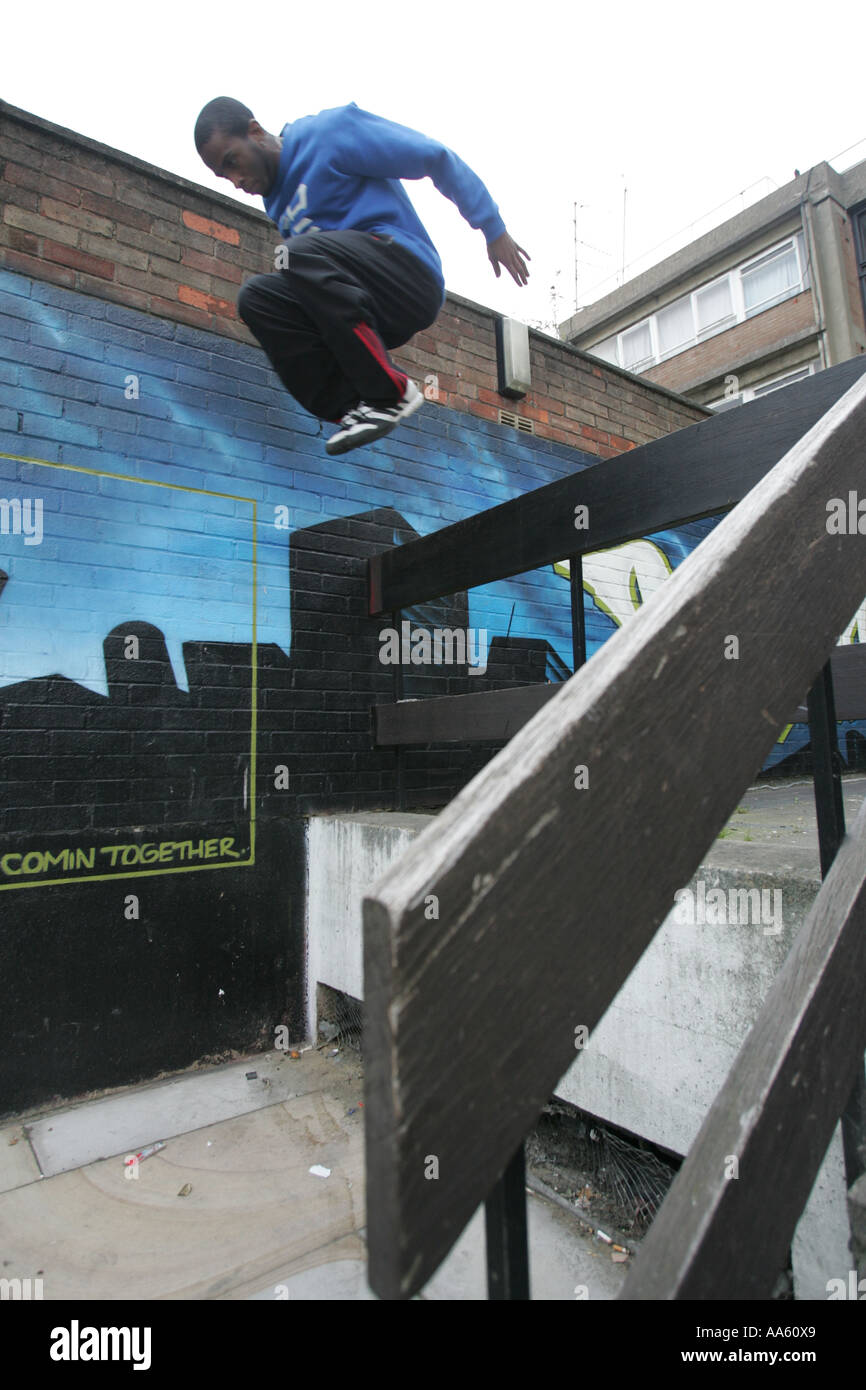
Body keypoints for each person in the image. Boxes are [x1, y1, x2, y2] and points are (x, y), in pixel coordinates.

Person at [194, 98, 530, 455]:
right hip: (371, 312)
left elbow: (433, 156)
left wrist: (492, 228)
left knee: (295, 255)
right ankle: (353, 407)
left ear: (255, 132)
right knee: (257, 298)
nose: (235, 180)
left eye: (232, 162)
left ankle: (390, 393)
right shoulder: (276, 202)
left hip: (408, 275)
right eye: (223, 175)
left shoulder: (327, 134)